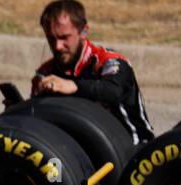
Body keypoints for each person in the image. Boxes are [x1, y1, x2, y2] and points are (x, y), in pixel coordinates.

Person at [31, 0, 154, 145]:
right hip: (85, 151)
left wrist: (73, 86)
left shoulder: (110, 61)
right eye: (51, 39)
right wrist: (20, 109)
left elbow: (113, 92)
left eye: (64, 37)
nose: (57, 46)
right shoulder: (46, 73)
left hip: (134, 151)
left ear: (84, 31)